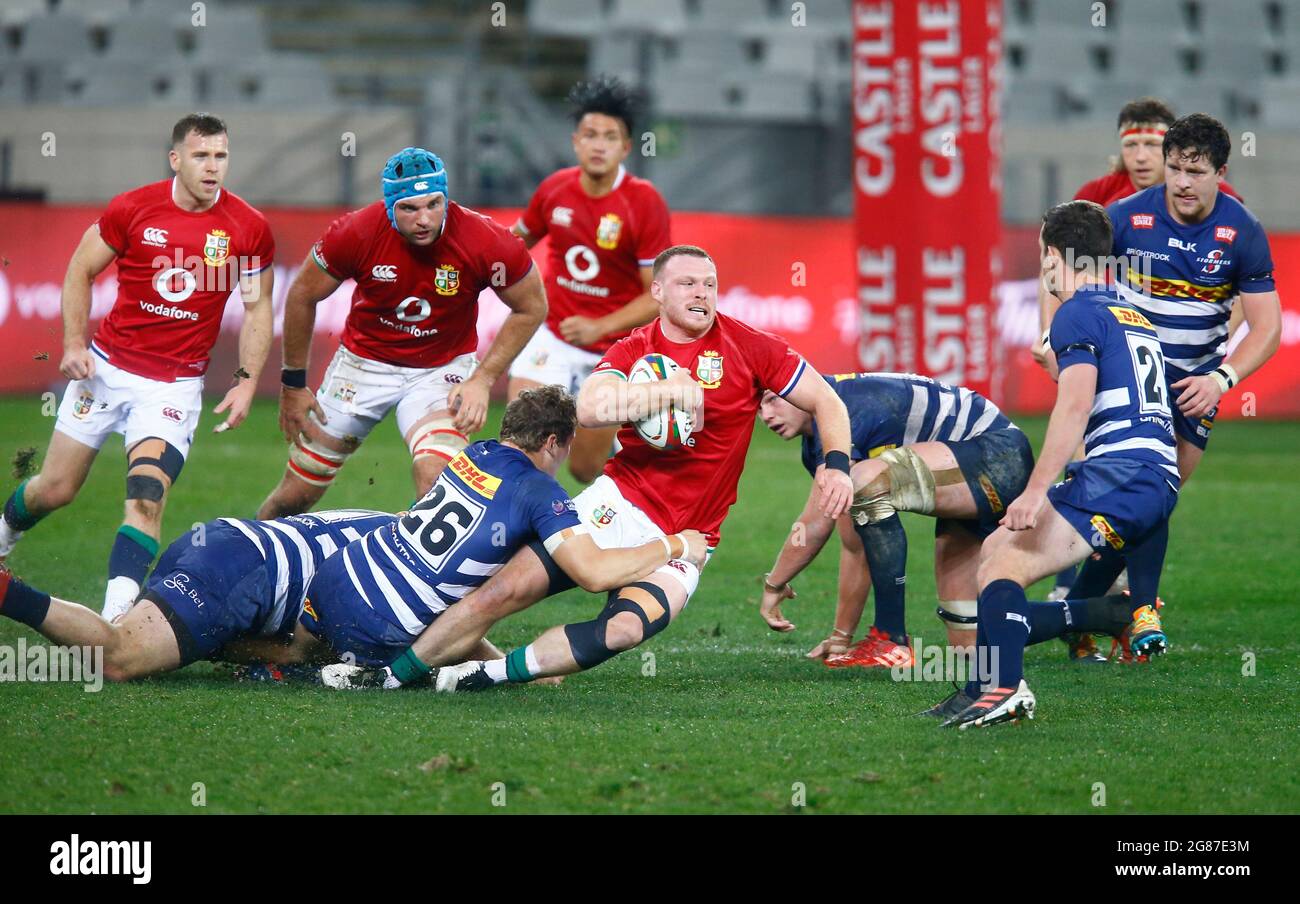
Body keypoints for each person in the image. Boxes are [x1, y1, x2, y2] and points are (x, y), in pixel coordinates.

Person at [325, 244, 854, 693]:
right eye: (687, 283)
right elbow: (590, 407)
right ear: (659, 292)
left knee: (624, 631)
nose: (701, 294)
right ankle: (391, 677)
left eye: (710, 284)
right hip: (613, 506)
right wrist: (665, 392)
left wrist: (834, 465)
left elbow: (828, 400)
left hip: (691, 533)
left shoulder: (750, 345)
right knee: (502, 591)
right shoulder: (636, 347)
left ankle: (482, 676)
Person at [0, 113, 274, 623]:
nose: (213, 167)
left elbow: (258, 307)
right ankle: (4, 535)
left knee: (146, 496)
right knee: (55, 489)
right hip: (106, 371)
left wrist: (246, 380)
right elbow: (80, 268)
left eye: (221, 156)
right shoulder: (134, 208)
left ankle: (115, 620)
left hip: (171, 388)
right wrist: (74, 343)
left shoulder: (247, 228)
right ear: (176, 159)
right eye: (201, 156)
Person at [934, 200, 1179, 728]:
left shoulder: (1076, 311)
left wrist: (1036, 490)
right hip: (1152, 473)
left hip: (1123, 472)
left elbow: (1073, 406)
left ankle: (1002, 688)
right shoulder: (1126, 310)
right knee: (1000, 552)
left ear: (1051, 254)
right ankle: (986, 684)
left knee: (1003, 561)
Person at [310, 385, 708, 686]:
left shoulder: (475, 452)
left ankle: (275, 669)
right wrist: (676, 544)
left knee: (480, 585)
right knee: (478, 589)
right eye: (568, 446)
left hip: (335, 581)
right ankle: (390, 678)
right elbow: (594, 575)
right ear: (553, 442)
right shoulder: (538, 491)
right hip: (385, 621)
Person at [1062, 114, 1282, 618]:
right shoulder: (1124, 217)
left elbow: (1267, 329)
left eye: (1196, 171)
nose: (1182, 182)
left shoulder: (1241, 231)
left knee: (1151, 505)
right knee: (1138, 499)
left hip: (1194, 386)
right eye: (1175, 168)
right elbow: (1072, 276)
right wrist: (1061, 341)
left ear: (1220, 172)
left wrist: (1221, 378)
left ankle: (1077, 615)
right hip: (1129, 381)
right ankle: (1141, 613)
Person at [256, 147, 547, 519]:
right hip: (362, 367)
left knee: (438, 479)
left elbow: (532, 306)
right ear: (390, 206)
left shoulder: (486, 240)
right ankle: (248, 561)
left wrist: (482, 379)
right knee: (296, 493)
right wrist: (293, 385)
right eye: (409, 208)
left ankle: (408, 571)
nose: (424, 219)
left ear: (446, 197)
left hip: (441, 370)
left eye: (434, 204)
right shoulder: (356, 232)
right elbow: (301, 295)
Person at [755, 373, 1034, 669]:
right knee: (969, 649)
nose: (766, 416)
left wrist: (774, 584)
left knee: (864, 481)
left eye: (772, 400)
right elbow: (855, 544)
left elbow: (813, 524)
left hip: (997, 456)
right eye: (757, 410)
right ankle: (1078, 616)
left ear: (799, 390)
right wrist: (840, 636)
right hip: (965, 468)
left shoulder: (841, 410)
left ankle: (890, 640)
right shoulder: (818, 441)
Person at [0, 509, 397, 682]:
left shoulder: (394, 525)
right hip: (235, 576)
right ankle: (6, 592)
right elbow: (309, 647)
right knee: (119, 657)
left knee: (131, 637)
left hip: (223, 542)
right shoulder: (416, 570)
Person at [507, 75, 671, 483]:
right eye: (590, 134)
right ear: (576, 140)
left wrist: (599, 326)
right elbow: (511, 246)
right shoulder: (555, 189)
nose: (599, 145)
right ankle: (526, 540)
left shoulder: (644, 202)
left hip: (611, 353)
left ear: (626, 146)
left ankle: (630, 448)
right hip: (552, 340)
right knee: (523, 451)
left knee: (583, 470)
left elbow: (657, 296)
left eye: (610, 137)